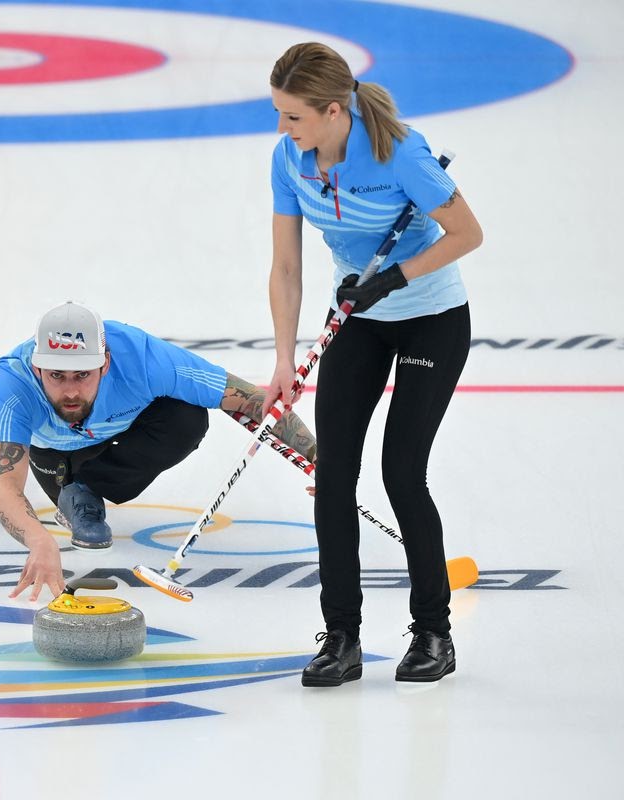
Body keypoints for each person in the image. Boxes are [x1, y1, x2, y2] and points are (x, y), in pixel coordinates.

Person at [262, 43, 483, 685]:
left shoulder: (400, 154)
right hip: (358, 321)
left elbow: (468, 233)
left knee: (401, 471)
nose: (283, 128)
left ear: (334, 111)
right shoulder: (288, 160)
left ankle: (433, 634)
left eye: (294, 116)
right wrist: (283, 356)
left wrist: (394, 281)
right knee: (333, 473)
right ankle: (341, 638)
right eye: (279, 113)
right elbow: (285, 266)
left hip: (431, 318)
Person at [0, 301, 317, 602]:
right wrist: (40, 540)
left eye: (82, 375)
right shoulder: (14, 378)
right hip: (53, 458)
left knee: (187, 416)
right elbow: (2, 487)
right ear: (37, 369)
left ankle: (88, 488)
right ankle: (72, 491)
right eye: (57, 376)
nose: (70, 390)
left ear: (106, 363)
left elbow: (254, 403)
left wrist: (322, 462)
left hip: (112, 447)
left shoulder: (143, 359)